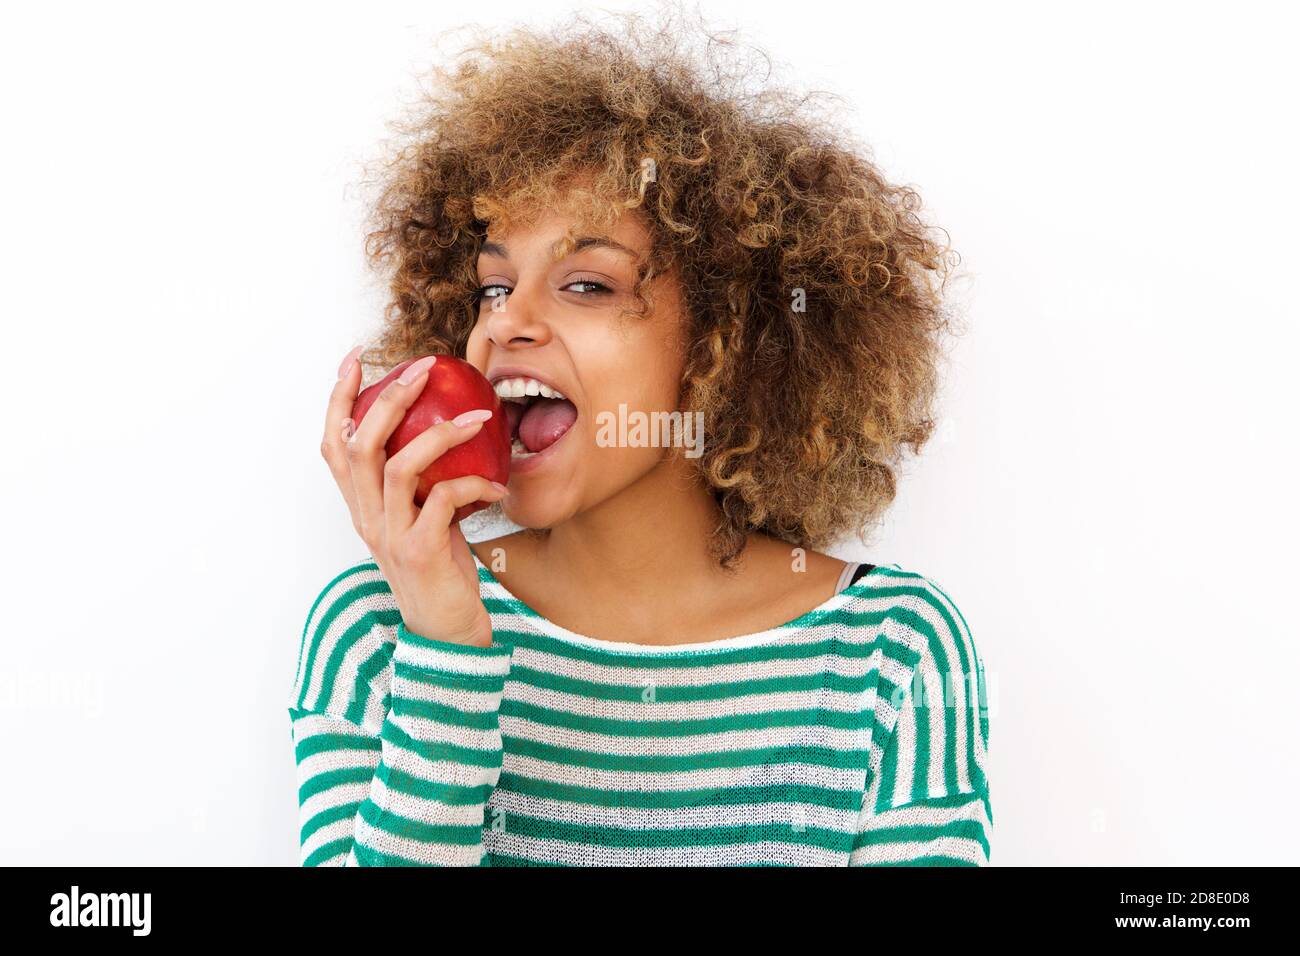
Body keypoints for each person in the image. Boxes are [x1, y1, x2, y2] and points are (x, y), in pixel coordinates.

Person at [289, 8, 991, 866]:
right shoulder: (378, 632)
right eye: (494, 286)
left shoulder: (892, 653)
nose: (507, 324)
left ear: (733, 337)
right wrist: (447, 652)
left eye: (587, 284)